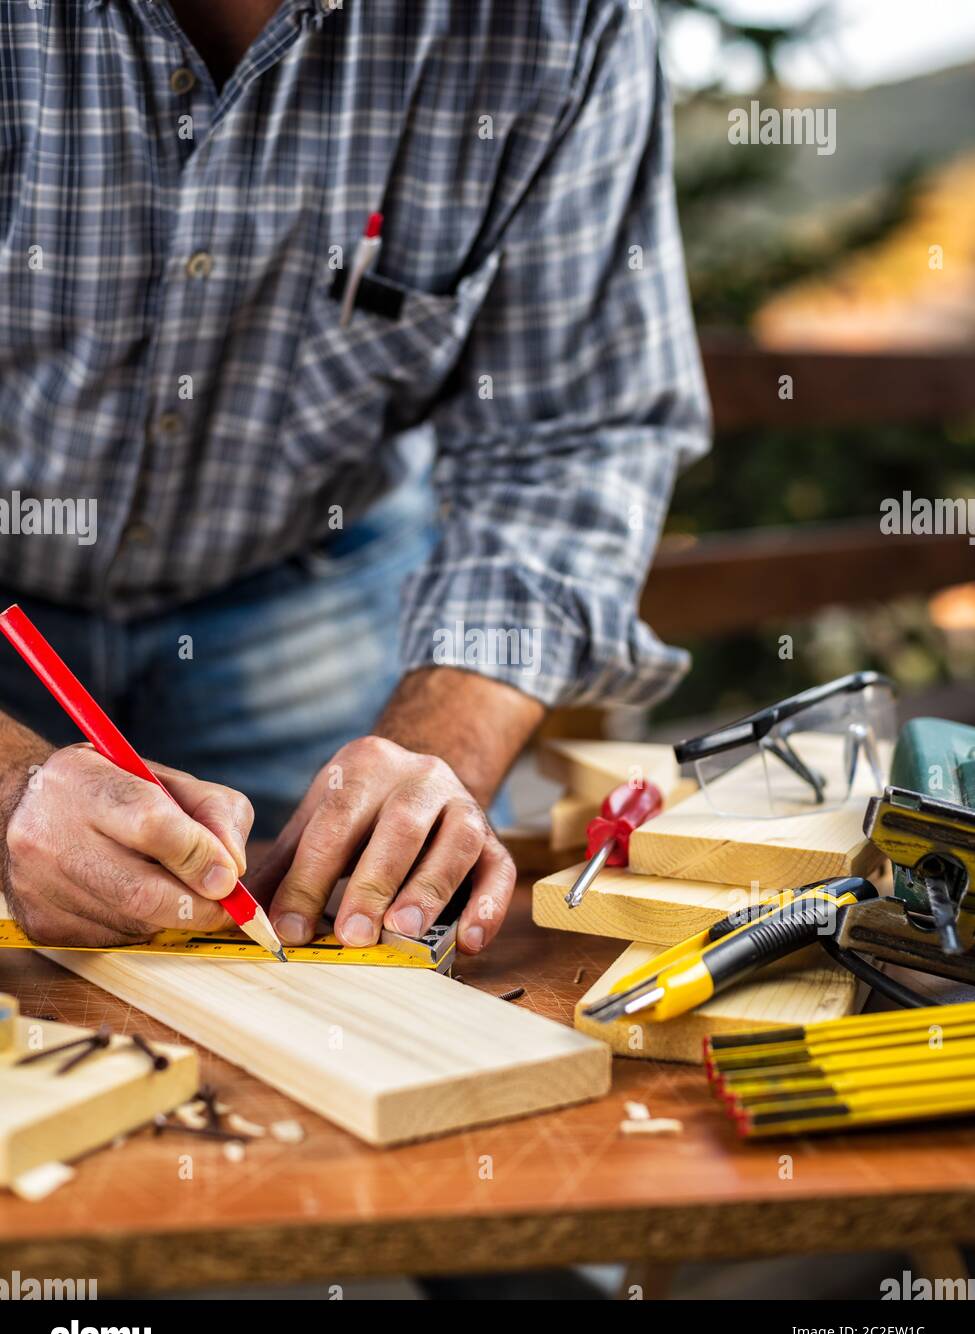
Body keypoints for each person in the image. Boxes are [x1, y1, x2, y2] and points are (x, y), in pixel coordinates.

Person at [0, 0, 709, 957]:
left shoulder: (560, 22)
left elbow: (573, 439)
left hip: (308, 592)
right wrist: (9, 786)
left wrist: (436, 754)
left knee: (333, 947)